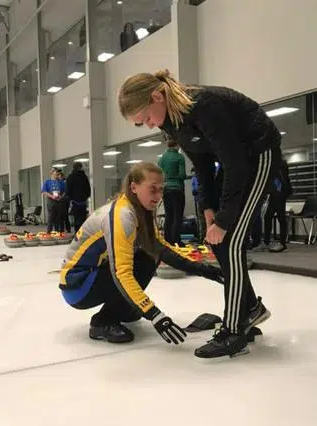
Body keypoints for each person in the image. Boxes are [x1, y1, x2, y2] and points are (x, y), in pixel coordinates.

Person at [118, 69, 282, 358]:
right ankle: (251, 309)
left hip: (258, 155)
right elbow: (203, 165)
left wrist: (224, 219)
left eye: (145, 118)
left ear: (157, 97)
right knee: (216, 241)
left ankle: (234, 330)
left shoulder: (204, 105)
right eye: (140, 123)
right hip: (234, 164)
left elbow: (234, 165)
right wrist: (208, 210)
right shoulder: (172, 123)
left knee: (230, 241)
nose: (147, 125)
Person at [58, 162, 224, 344]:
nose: (159, 196)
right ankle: (102, 322)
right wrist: (155, 315)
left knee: (150, 255)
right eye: (153, 189)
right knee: (143, 260)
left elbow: (161, 249)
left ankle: (123, 309)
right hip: (77, 287)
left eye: (161, 190)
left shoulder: (139, 209)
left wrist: (203, 269)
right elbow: (122, 273)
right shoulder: (122, 216)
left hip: (92, 276)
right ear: (133, 187)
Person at [157, 138, 188, 245]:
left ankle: (167, 240)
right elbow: (182, 174)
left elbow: (159, 175)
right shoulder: (179, 157)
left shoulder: (162, 159)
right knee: (177, 215)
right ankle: (176, 240)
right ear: (177, 145)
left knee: (169, 215)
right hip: (177, 189)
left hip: (166, 189)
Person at [262, 159, 293, 252]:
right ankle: (266, 242)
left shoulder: (281, 163)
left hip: (280, 194)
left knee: (281, 218)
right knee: (267, 216)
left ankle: (283, 244)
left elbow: (282, 177)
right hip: (273, 194)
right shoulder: (271, 163)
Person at [65, 161, 91, 234]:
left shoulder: (70, 176)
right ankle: (83, 232)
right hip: (83, 201)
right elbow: (88, 188)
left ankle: (77, 233)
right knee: (83, 217)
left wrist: (69, 198)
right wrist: (86, 197)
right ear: (80, 167)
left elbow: (68, 189)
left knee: (76, 218)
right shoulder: (84, 176)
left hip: (75, 201)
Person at [41, 168, 66, 233]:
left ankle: (57, 231)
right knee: (51, 216)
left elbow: (64, 191)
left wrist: (61, 196)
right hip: (51, 200)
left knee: (58, 217)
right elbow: (44, 191)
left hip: (59, 200)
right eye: (55, 173)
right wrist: (51, 196)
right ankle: (49, 231)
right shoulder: (47, 182)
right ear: (51, 173)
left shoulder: (61, 182)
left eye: (57, 173)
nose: (57, 175)